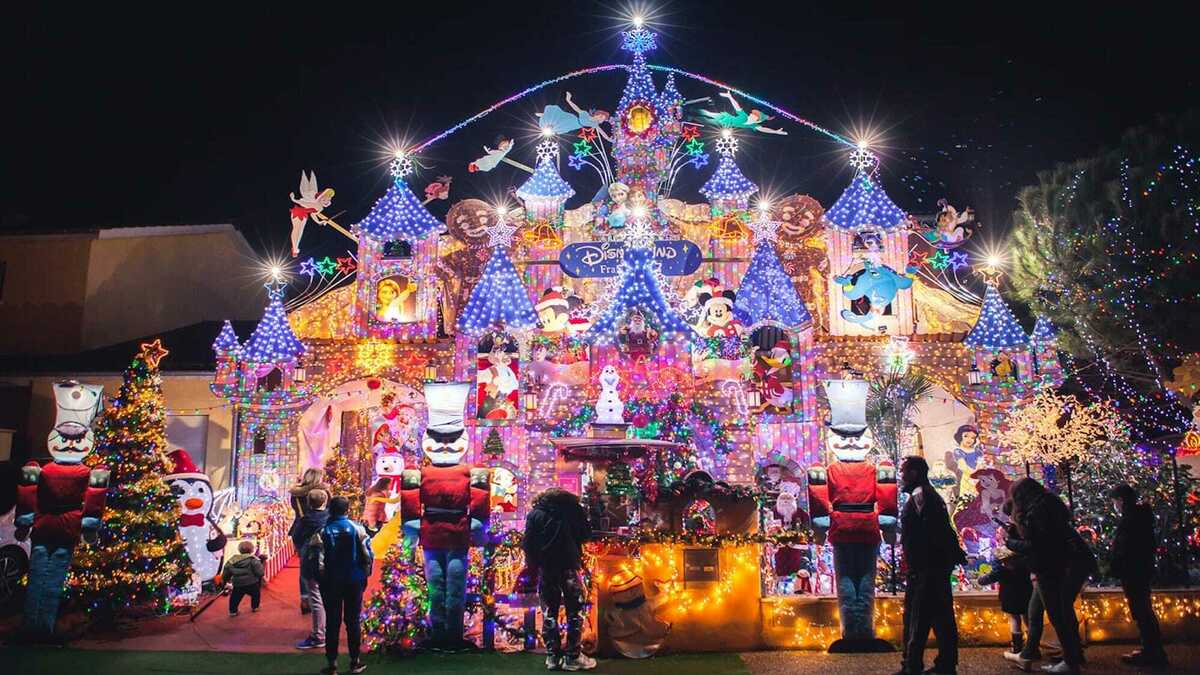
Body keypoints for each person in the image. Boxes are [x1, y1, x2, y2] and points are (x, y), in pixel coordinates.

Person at [1006, 478, 1097, 675]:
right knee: (1044, 609)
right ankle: (1059, 654)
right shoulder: (1049, 505)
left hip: (1053, 567)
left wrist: (1011, 543)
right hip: (1064, 564)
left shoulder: (1037, 512)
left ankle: (1070, 661)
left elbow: (1038, 545)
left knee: (1058, 614)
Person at [895, 455, 966, 675]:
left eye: (904, 471)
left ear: (914, 473)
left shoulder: (921, 496)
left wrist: (919, 564)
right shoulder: (929, 495)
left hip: (925, 568)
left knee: (917, 617)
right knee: (940, 617)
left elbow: (931, 533)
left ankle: (912, 664)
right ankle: (945, 664)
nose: (901, 476)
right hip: (934, 567)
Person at [522, 488, 596, 671]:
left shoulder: (535, 514)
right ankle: (573, 655)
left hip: (547, 567)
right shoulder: (574, 510)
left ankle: (553, 655)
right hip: (569, 564)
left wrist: (533, 565)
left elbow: (528, 543)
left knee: (549, 611)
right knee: (575, 610)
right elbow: (585, 535)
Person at [1109, 483, 1168, 667]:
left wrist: (1117, 563)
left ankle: (1152, 652)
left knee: (1142, 611)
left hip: (1134, 571)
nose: (1115, 506)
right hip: (1139, 569)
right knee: (1143, 610)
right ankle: (1151, 649)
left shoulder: (1131, 520)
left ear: (1120, 500)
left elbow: (1126, 547)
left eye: (1115, 501)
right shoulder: (1140, 517)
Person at [314, 496, 373, 675]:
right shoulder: (357, 528)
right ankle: (355, 661)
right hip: (354, 580)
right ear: (347, 509)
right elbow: (368, 554)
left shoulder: (322, 531)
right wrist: (365, 574)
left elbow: (318, 561)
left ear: (330, 510)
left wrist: (321, 579)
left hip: (331, 582)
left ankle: (332, 664)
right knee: (352, 620)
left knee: (332, 622)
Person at [978, 501, 1035, 665]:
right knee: (1028, 617)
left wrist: (982, 580)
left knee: (1015, 619)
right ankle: (1033, 648)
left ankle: (1017, 648)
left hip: (1010, 593)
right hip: (1026, 590)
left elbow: (996, 573)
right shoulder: (1024, 554)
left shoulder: (1003, 557)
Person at [289, 467, 329, 614]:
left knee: (304, 565)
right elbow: (328, 510)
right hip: (320, 529)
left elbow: (297, 511)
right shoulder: (324, 492)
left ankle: (305, 598)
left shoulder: (296, 494)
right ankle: (321, 596)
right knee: (324, 563)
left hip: (301, 529)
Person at [295, 489, 330, 651]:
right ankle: (327, 630)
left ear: (309, 503)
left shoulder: (305, 521)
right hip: (330, 562)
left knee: (316, 598)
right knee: (328, 598)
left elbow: (297, 538)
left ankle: (318, 635)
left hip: (311, 562)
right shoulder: (330, 518)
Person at [223, 540, 264, 616]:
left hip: (238, 583)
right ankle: (255, 607)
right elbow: (260, 572)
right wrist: (259, 576)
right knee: (256, 594)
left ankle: (233, 611)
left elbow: (226, 571)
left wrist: (225, 580)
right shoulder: (253, 560)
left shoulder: (232, 560)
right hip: (252, 582)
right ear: (252, 550)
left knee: (235, 597)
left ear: (239, 550)